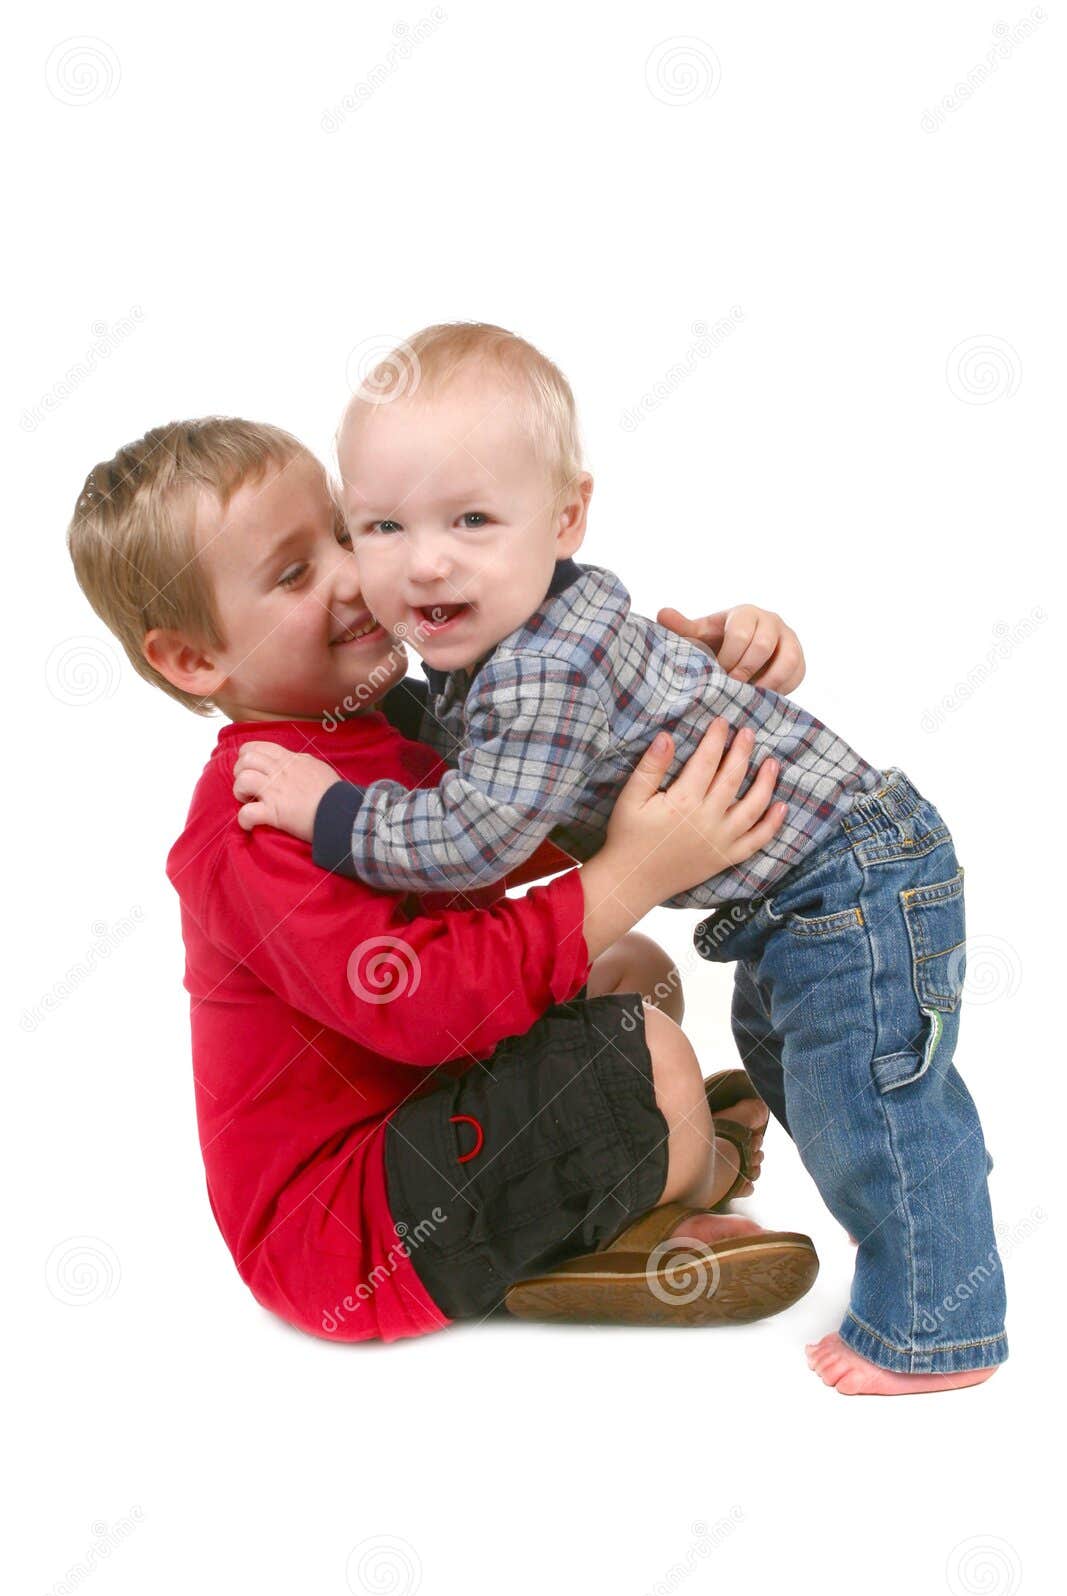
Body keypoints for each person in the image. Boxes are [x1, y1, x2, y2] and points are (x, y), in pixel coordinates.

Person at [233, 324, 1007, 1394]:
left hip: (848, 881)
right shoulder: (522, 629)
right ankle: (831, 1183)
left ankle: (934, 1332)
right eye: (380, 524)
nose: (423, 560)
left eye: (469, 519)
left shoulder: (538, 671)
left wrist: (331, 810)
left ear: (564, 519)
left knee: (867, 1102)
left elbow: (470, 836)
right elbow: (507, 752)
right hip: (807, 897)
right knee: (814, 1071)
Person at [66, 417, 817, 1346]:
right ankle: (678, 1181)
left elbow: (527, 813)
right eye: (295, 574)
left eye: (347, 533)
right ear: (192, 659)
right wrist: (629, 873)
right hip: (349, 1226)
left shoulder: (390, 718)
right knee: (654, 1058)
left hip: (420, 1098)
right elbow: (424, 1004)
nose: (353, 575)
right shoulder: (255, 818)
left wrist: (697, 679)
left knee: (632, 970)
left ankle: (632, 1189)